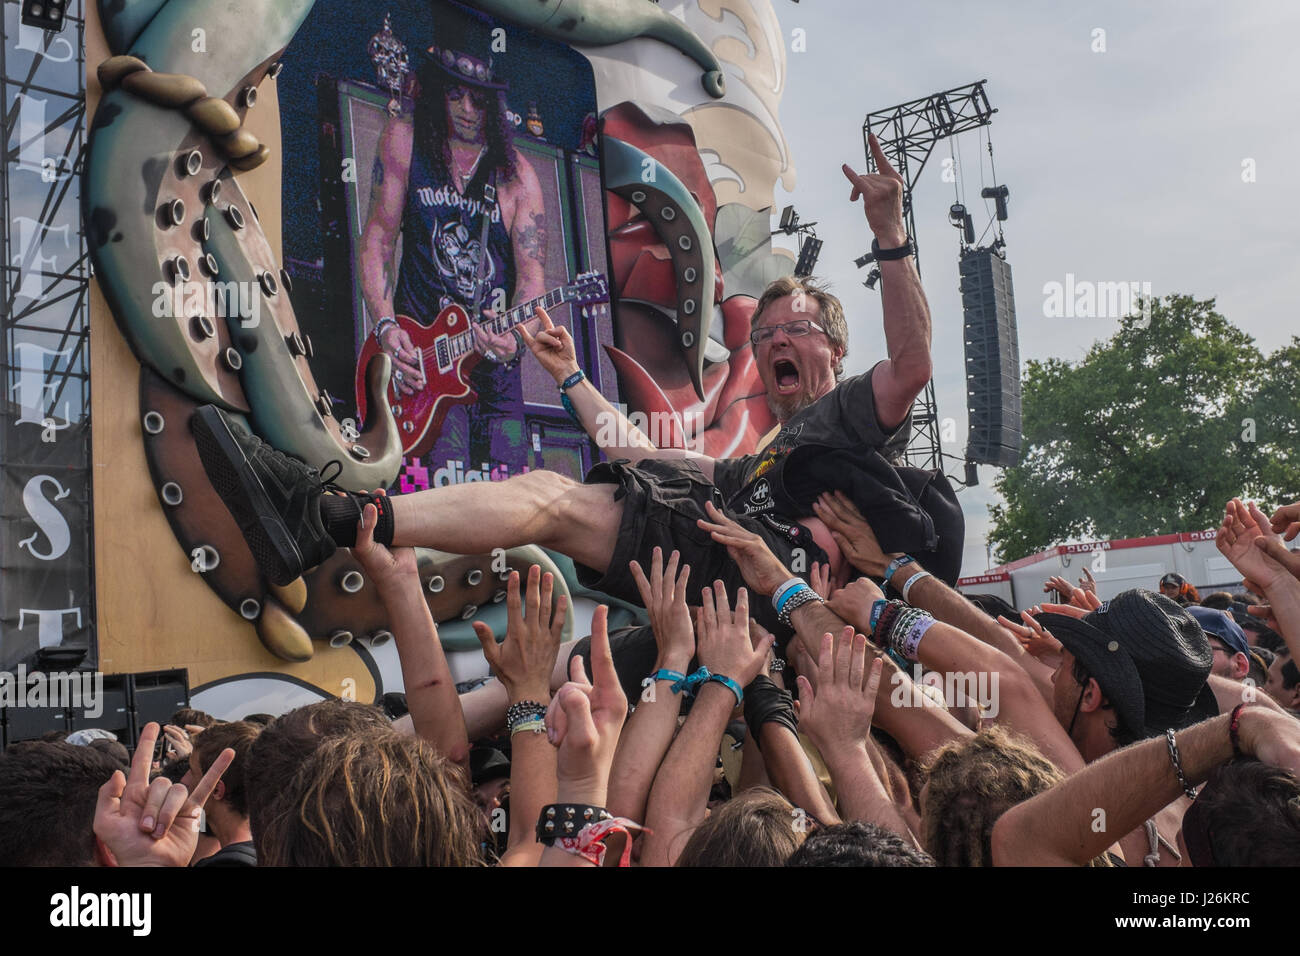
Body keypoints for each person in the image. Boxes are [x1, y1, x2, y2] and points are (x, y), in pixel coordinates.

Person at [191, 133, 938, 648]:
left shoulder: (849, 417)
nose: (773, 340)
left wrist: (890, 231)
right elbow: (656, 461)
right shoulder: (774, 455)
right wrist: (567, 374)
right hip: (723, 577)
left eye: (795, 329)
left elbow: (911, 364)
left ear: (835, 349)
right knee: (558, 509)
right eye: (764, 330)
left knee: (553, 503)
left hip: (770, 599)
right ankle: (330, 519)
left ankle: (325, 518)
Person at [358, 3, 546, 475]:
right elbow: (377, 242)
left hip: (495, 373)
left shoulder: (517, 174)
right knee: (441, 500)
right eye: (455, 95)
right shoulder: (404, 140)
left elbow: (532, 277)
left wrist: (518, 340)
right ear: (437, 89)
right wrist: (386, 329)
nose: (466, 110)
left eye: (478, 100)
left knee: (508, 504)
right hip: (422, 363)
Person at [184, 721, 262, 867]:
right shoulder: (275, 849)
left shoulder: (229, 863)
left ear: (216, 790)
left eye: (192, 771)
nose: (184, 780)